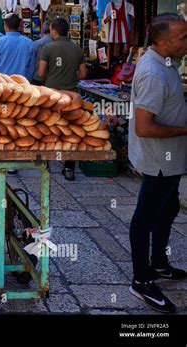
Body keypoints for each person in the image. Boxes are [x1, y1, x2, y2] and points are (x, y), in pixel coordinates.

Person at [128, 13, 187, 313]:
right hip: (158, 160)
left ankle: (159, 263)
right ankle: (141, 280)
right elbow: (144, 127)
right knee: (146, 216)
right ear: (164, 42)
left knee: (168, 208)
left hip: (170, 159)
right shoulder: (153, 71)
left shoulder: (166, 62)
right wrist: (184, 129)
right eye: (183, 38)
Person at [37, 18, 87, 181]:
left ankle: (45, 164)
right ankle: (69, 168)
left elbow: (40, 73)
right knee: (70, 133)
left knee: (48, 129)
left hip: (51, 96)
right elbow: (83, 74)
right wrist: (71, 79)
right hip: (71, 96)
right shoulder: (77, 49)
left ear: (54, 31)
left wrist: (49, 79)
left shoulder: (48, 47)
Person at [0, 13, 36, 80]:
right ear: (19, 26)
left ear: (6, 26)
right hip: (22, 84)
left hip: (2, 83)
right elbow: (31, 68)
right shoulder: (30, 43)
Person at [32, 20, 52, 85]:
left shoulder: (36, 44)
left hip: (37, 78)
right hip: (53, 78)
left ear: (42, 30)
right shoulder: (57, 42)